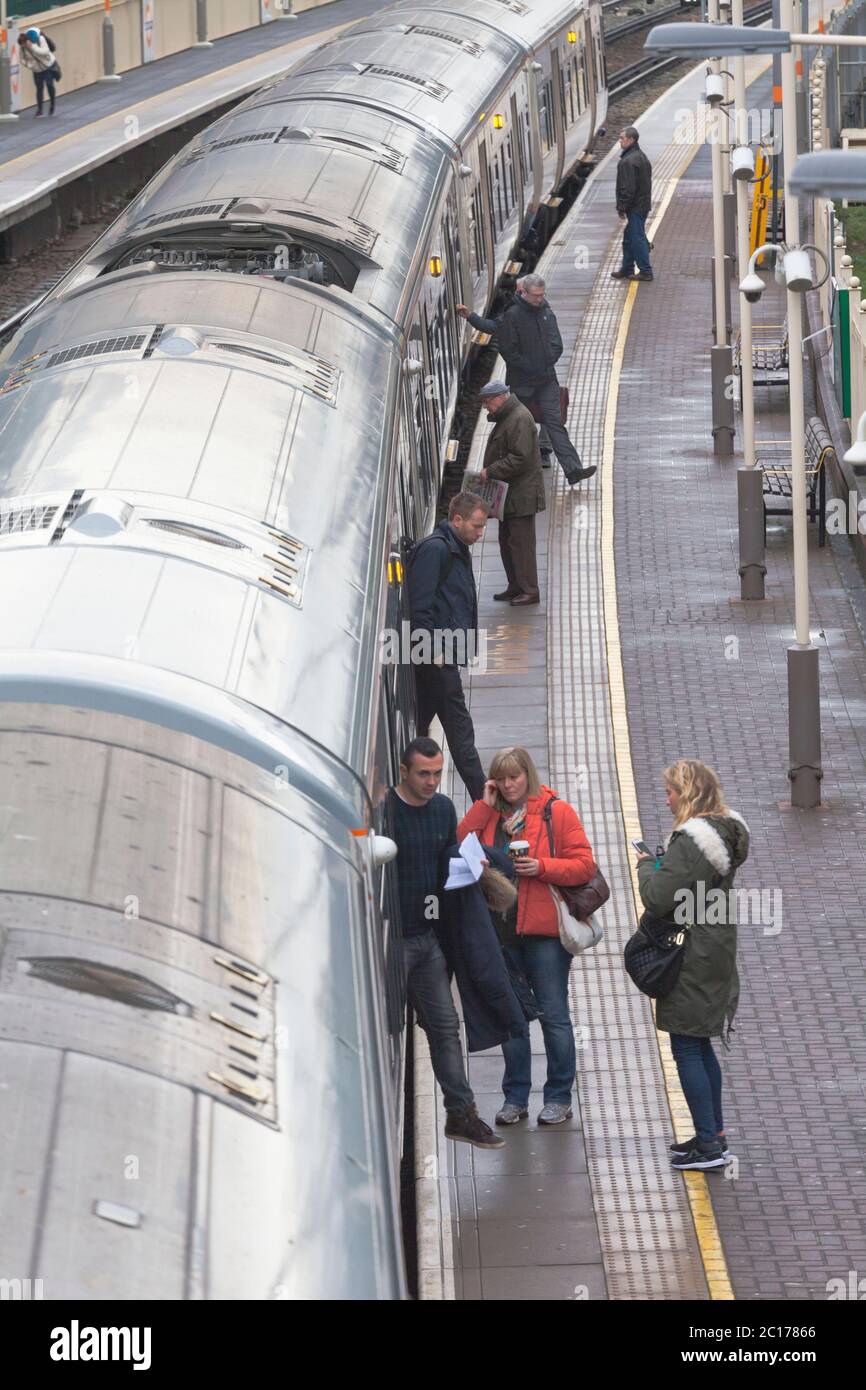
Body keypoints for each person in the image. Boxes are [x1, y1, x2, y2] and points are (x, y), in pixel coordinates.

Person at [457, 746, 597, 1126]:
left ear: (527, 775)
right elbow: (459, 844)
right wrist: (483, 807)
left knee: (553, 1016)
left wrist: (542, 867)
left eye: (514, 776)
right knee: (512, 1019)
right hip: (500, 932)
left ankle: (558, 1096)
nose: (508, 784)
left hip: (544, 934)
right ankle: (515, 1098)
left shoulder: (555, 812)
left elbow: (584, 865)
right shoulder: (491, 815)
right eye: (500, 778)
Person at [388, 738, 504, 1148]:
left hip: (426, 939)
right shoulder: (385, 810)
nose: (432, 781)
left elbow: (445, 862)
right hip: (389, 942)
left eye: (437, 773)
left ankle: (461, 1114)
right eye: (424, 773)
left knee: (445, 1028)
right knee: (385, 1029)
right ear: (404, 771)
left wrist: (471, 863)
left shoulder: (441, 809)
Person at [636, 760, 750, 1171]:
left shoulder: (691, 842)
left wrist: (648, 862)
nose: (666, 800)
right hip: (715, 945)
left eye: (670, 792)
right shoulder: (725, 830)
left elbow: (657, 898)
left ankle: (710, 1147)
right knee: (700, 1042)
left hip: (692, 952)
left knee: (686, 1043)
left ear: (688, 795)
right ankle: (711, 1134)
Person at [456, 276, 596, 486]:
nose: (541, 299)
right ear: (525, 293)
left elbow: (556, 344)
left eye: (542, 295)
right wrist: (471, 317)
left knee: (555, 424)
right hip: (522, 383)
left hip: (546, 381)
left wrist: (547, 362)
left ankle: (573, 470)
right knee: (515, 426)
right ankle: (500, 470)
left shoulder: (546, 313)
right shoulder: (512, 316)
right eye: (537, 296)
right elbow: (507, 349)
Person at [409, 492, 489, 803]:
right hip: (435, 661)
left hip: (441, 658)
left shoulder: (457, 546)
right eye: (476, 526)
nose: (480, 534)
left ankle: (411, 794)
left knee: (420, 728)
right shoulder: (436, 551)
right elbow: (421, 609)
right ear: (457, 520)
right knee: (461, 736)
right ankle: (490, 805)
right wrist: (435, 654)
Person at [477, 380, 545, 606]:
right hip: (512, 495)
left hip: (522, 495)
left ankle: (530, 590)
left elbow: (521, 458)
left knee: (521, 544)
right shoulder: (509, 417)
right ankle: (515, 585)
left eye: (488, 402)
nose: (487, 407)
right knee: (507, 542)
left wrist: (491, 470)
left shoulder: (519, 418)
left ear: (500, 397)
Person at [611, 127, 653, 283]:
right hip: (641, 204)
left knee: (637, 238)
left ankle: (646, 271)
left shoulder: (628, 161)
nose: (620, 141)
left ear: (631, 140)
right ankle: (627, 268)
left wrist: (622, 207)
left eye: (622, 138)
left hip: (635, 207)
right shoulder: (640, 156)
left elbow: (627, 188)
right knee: (629, 237)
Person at [20, 28, 57, 118]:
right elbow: (21, 59)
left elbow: (45, 52)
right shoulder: (23, 48)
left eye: (25, 44)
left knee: (49, 85)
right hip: (37, 70)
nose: (24, 46)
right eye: (22, 45)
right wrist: (30, 65)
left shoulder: (40, 39)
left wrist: (32, 47)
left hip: (47, 66)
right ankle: (39, 110)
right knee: (39, 88)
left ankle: (52, 104)